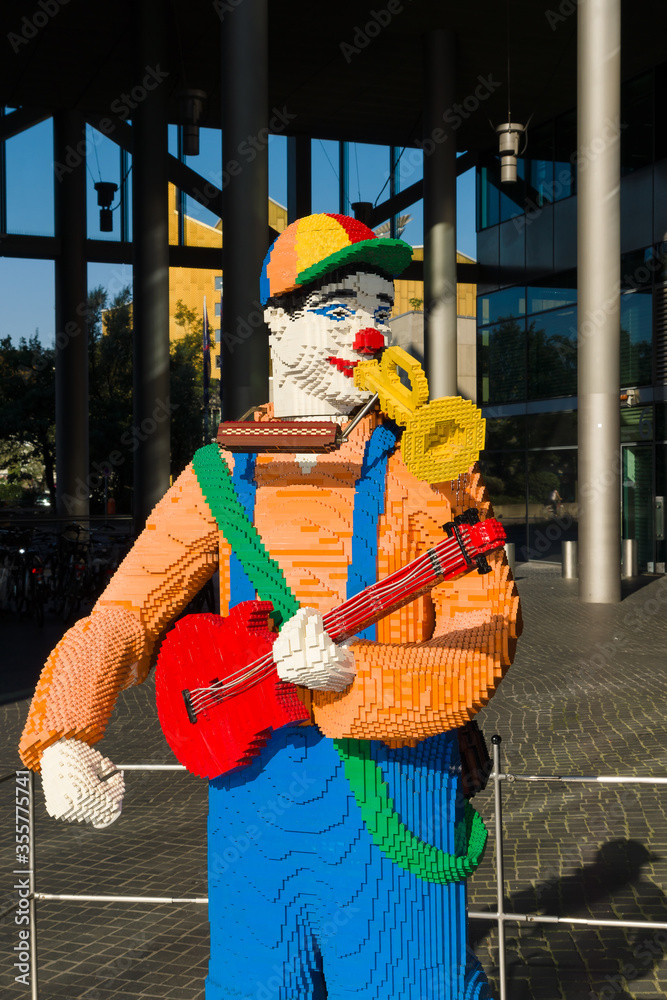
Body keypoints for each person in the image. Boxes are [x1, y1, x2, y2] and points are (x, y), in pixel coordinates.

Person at [19, 213, 522, 1000]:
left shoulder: (432, 472)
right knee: (255, 986)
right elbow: (128, 610)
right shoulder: (218, 476)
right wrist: (63, 733)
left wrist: (355, 673)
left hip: (391, 794)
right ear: (274, 323)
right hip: (250, 805)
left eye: (380, 309)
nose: (367, 333)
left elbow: (482, 631)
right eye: (337, 308)